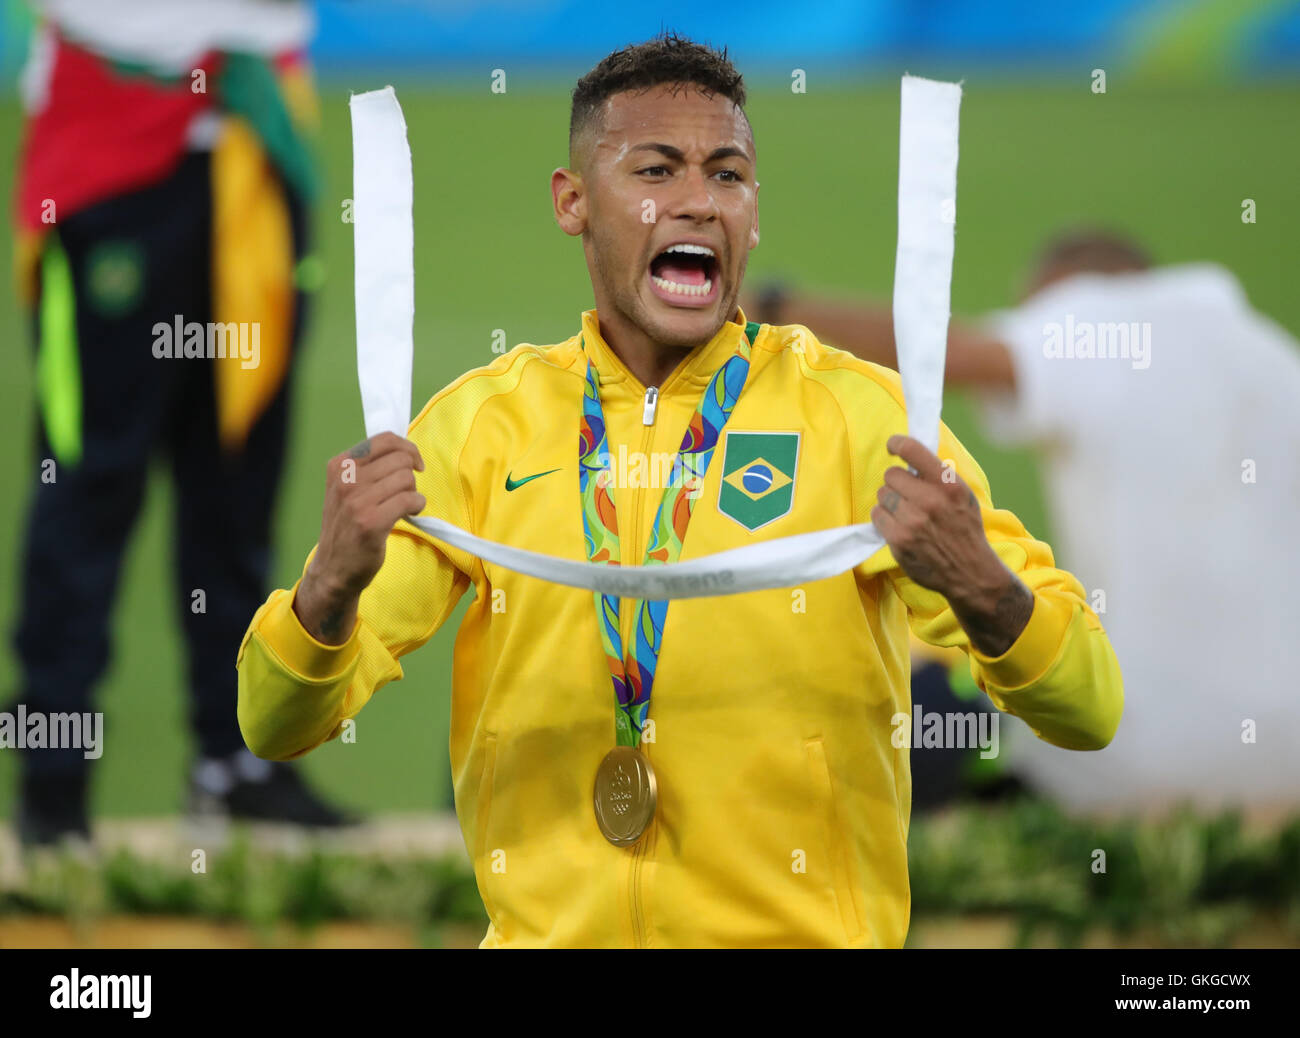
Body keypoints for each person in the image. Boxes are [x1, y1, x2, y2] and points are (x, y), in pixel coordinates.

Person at [237, 34, 1122, 948]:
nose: (698, 202)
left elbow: (1089, 708)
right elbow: (273, 726)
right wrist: (326, 591)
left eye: (728, 175)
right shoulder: (479, 431)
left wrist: (979, 582)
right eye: (656, 169)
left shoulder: (862, 421)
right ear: (573, 201)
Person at [757, 230, 1300, 812]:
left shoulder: (1102, 321)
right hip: (1287, 750)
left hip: (1144, 754)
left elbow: (942, 356)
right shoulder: (1274, 353)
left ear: (1061, 290)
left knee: (929, 701)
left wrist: (773, 314)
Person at [10, 0, 353, 845]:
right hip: (113, 153)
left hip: (251, 150)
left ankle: (238, 763)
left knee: (239, 483)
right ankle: (52, 791)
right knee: (87, 487)